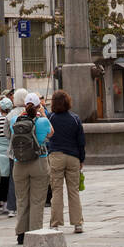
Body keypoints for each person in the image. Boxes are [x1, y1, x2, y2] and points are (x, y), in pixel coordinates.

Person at [10, 92, 52, 244]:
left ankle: (21, 233)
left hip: (19, 162)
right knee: (37, 200)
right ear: (38, 105)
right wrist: (43, 114)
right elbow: (51, 133)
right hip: (39, 162)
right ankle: (35, 231)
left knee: (22, 199)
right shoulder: (42, 121)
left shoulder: (15, 120)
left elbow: (10, 134)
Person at [45, 89, 86, 233]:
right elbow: (81, 141)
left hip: (56, 155)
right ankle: (77, 223)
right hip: (73, 156)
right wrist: (81, 158)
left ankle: (55, 223)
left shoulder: (50, 118)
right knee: (73, 191)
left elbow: (46, 137)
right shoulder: (75, 118)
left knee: (56, 190)